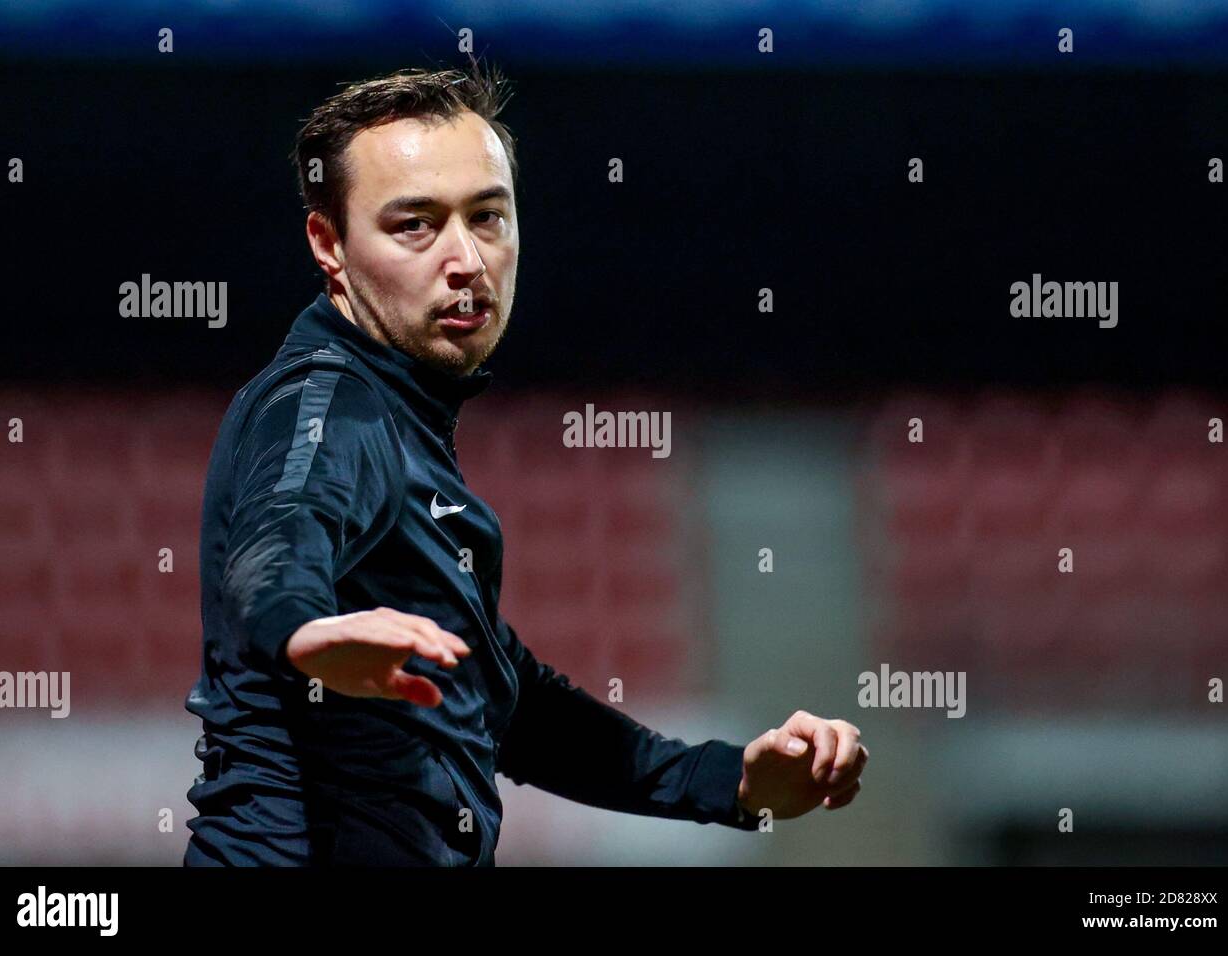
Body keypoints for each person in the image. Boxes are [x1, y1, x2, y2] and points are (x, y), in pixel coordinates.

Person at [183, 59, 868, 866]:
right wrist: (303, 629)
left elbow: (513, 707)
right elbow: (281, 532)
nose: (465, 259)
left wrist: (734, 784)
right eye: (415, 225)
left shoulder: (408, 433)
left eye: (487, 217)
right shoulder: (326, 405)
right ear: (328, 243)